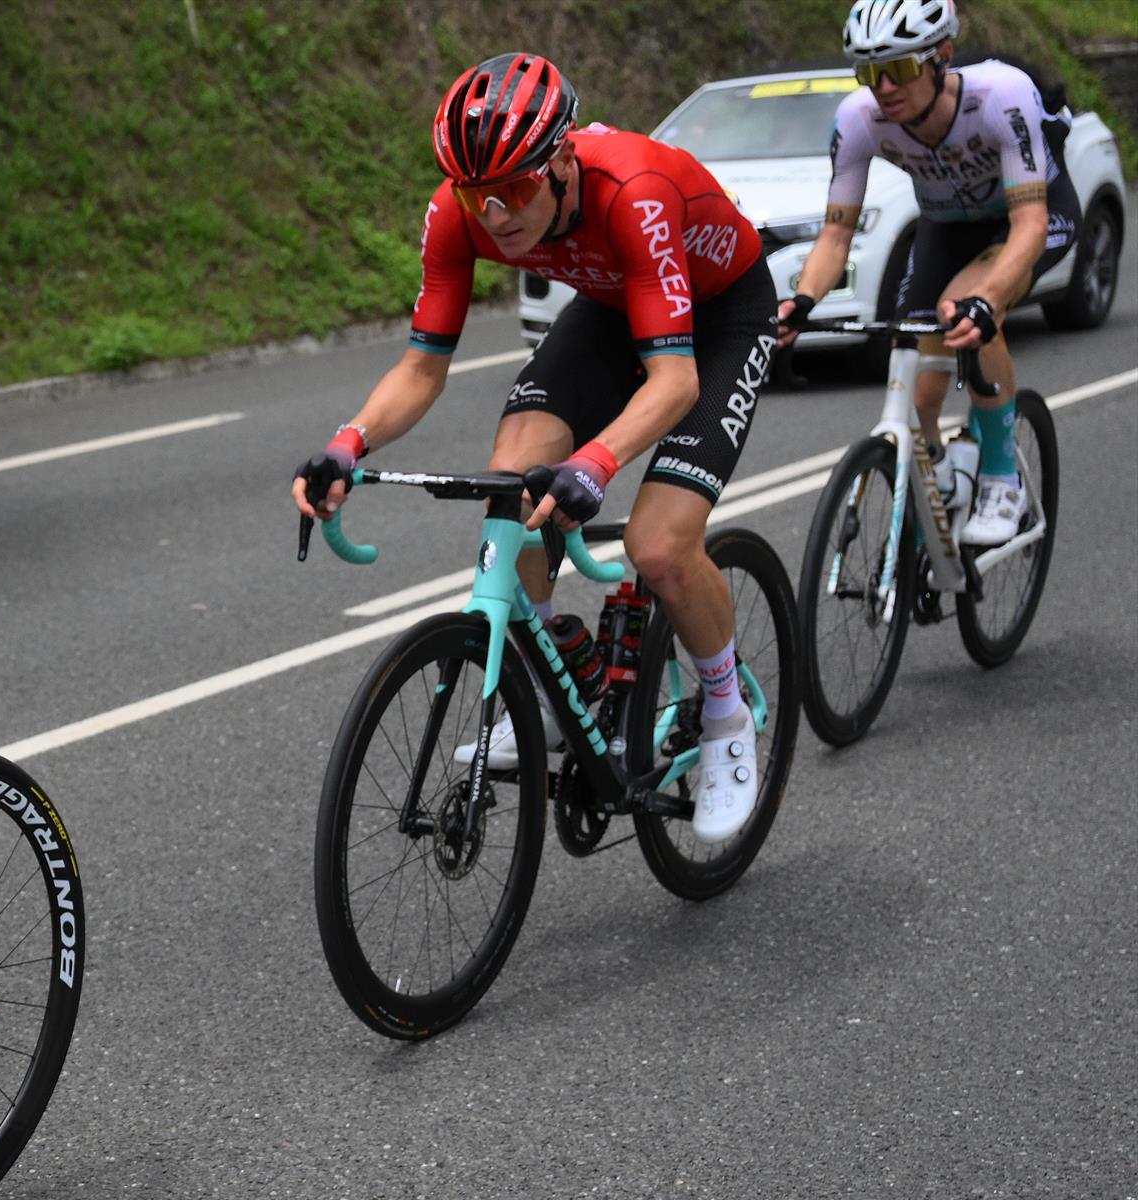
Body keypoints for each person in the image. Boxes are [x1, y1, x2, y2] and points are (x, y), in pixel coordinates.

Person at [292, 53, 778, 842]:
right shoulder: (459, 213)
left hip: (721, 318)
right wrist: (346, 445)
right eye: (479, 197)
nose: (498, 215)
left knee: (658, 546)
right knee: (509, 488)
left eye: (516, 190)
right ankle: (564, 684)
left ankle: (724, 714)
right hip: (613, 303)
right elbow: (421, 368)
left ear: (561, 161)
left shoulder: (633, 191)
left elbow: (675, 383)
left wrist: (596, 461)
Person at [776, 0, 1076, 543]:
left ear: (942, 57)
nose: (884, 87)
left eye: (901, 68)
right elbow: (836, 234)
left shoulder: (999, 96)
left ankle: (1001, 478)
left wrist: (989, 299)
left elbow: (1029, 223)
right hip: (946, 226)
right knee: (914, 384)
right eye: (869, 72)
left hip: (1031, 215)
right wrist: (803, 301)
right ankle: (940, 478)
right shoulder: (858, 119)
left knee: (960, 307)